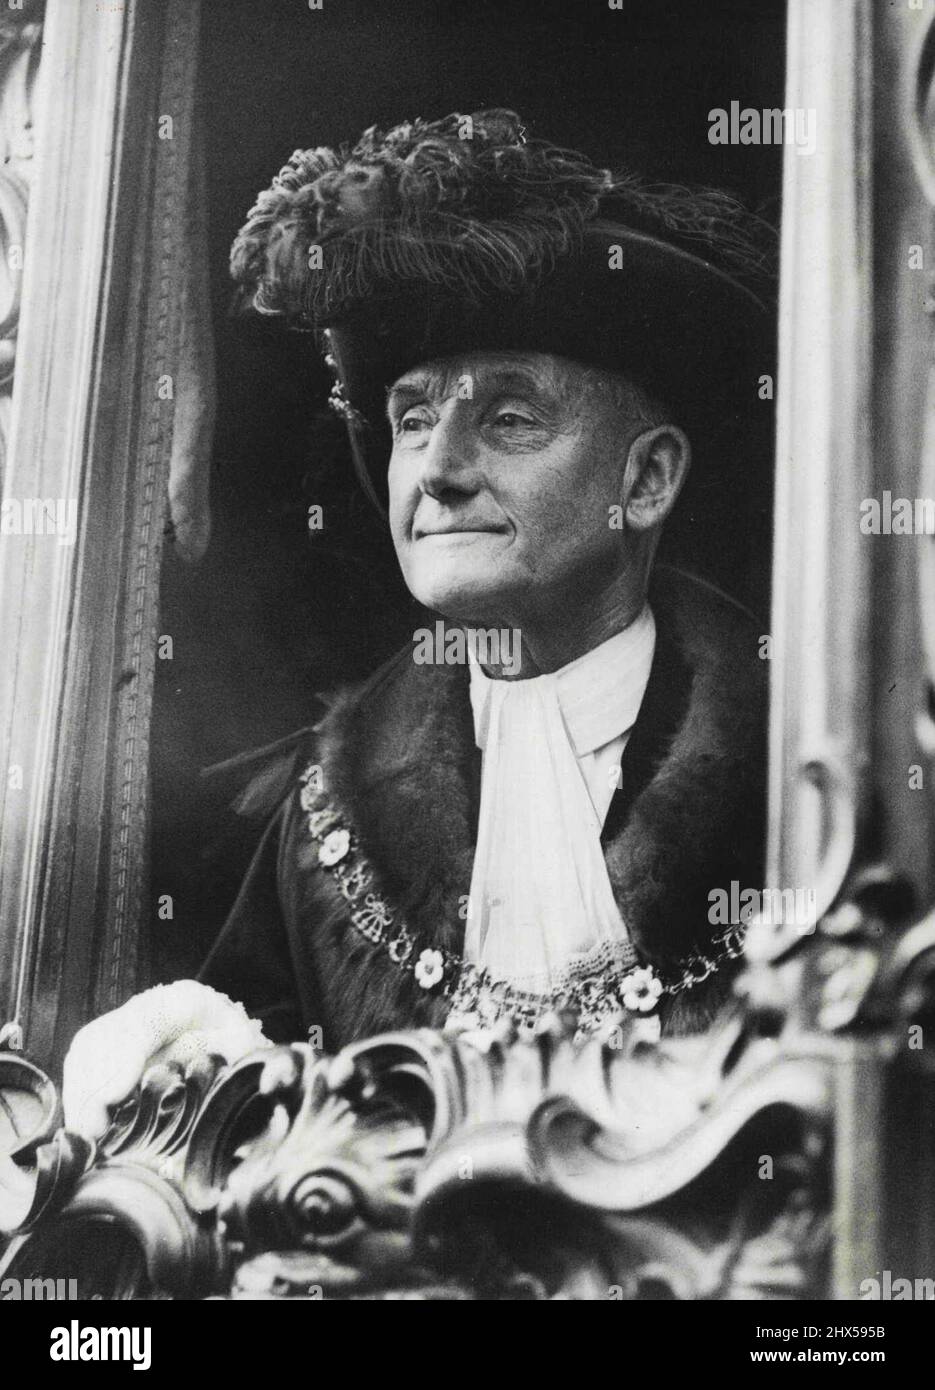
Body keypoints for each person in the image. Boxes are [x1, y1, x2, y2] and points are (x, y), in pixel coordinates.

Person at [63, 109, 772, 1139]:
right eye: (408, 419)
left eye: (509, 418)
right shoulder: (323, 816)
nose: (435, 470)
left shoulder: (814, 776)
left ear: (646, 477)